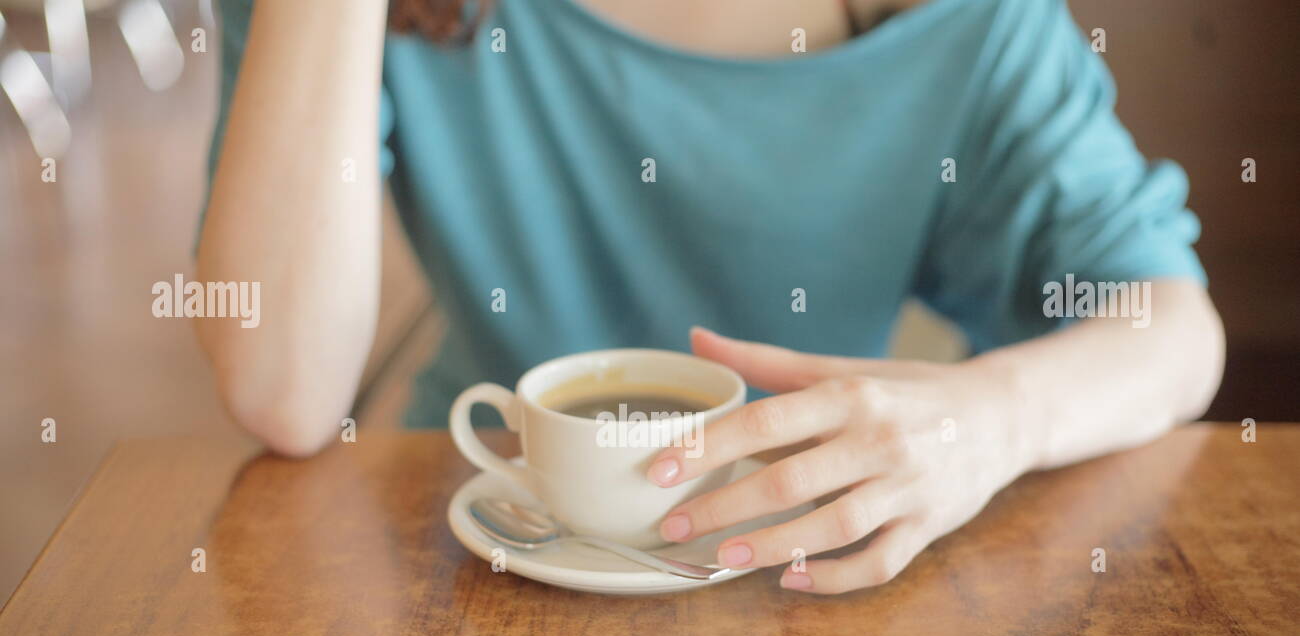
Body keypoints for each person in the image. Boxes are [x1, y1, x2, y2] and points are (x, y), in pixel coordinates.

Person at [195, 0, 1224, 594]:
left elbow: (1172, 328)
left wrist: (994, 416)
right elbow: (283, 388)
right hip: (474, 548)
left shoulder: (965, 26)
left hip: (802, 567)